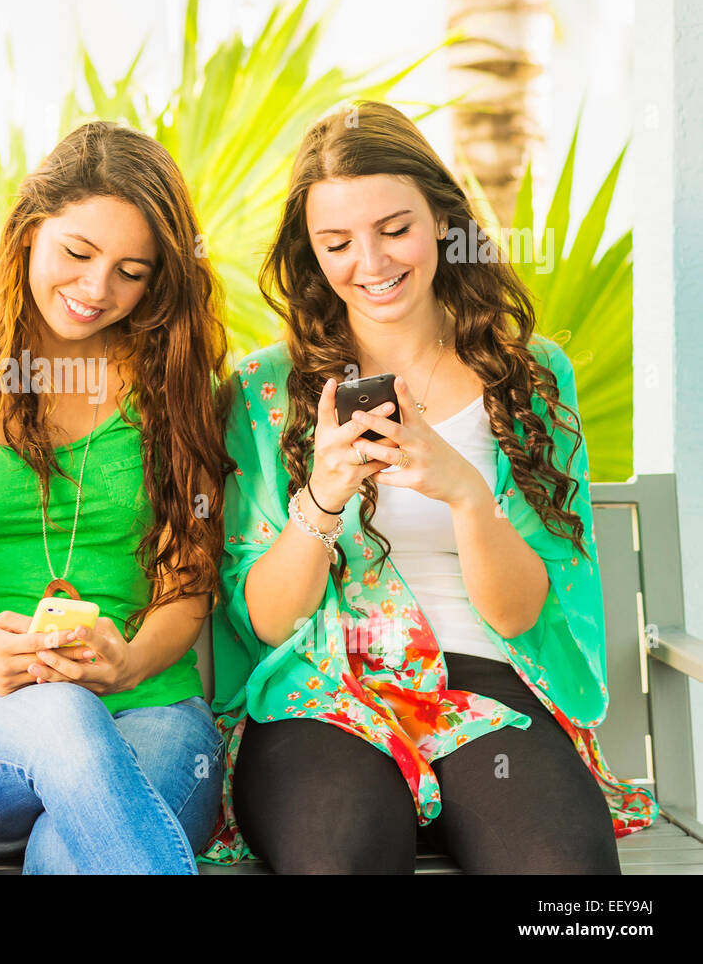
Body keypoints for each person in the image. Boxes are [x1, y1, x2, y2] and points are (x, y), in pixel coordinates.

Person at [205, 100, 657, 873]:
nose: (371, 263)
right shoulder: (266, 389)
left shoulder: (530, 376)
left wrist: (465, 493)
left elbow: (521, 611)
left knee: (566, 886)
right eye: (337, 242)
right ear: (311, 255)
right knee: (342, 856)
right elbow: (271, 623)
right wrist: (323, 495)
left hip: (490, 686)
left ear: (444, 220)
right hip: (325, 689)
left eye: (395, 228)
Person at [0, 120, 230, 874]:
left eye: (132, 271)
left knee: (72, 849)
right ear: (29, 233)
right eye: (77, 253)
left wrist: (125, 664)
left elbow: (187, 592)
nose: (97, 290)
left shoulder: (175, 389)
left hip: (151, 714)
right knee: (62, 717)